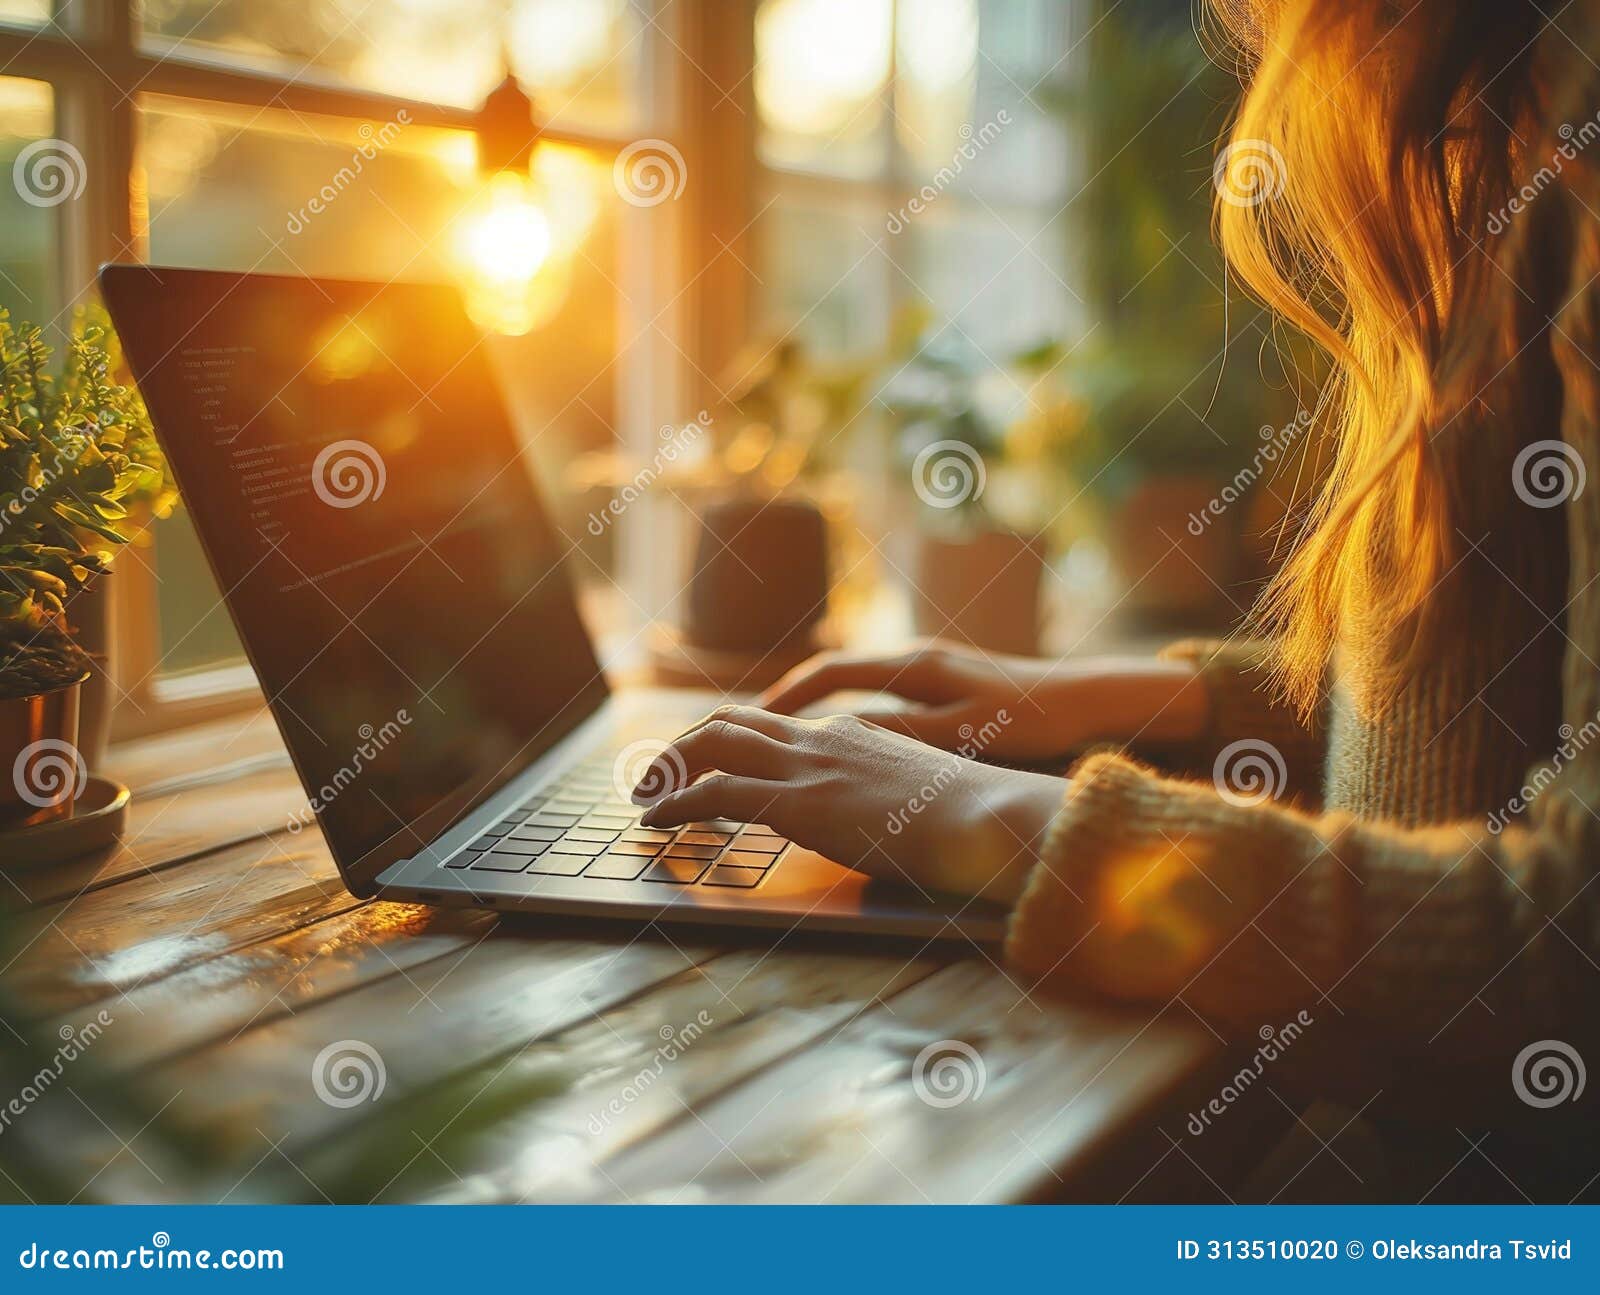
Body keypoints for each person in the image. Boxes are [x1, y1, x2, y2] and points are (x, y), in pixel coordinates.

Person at [637, 0, 1600, 1198]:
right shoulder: (1492, 126)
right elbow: (1485, 737)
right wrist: (1104, 700)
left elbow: (1568, 958)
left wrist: (989, 815)